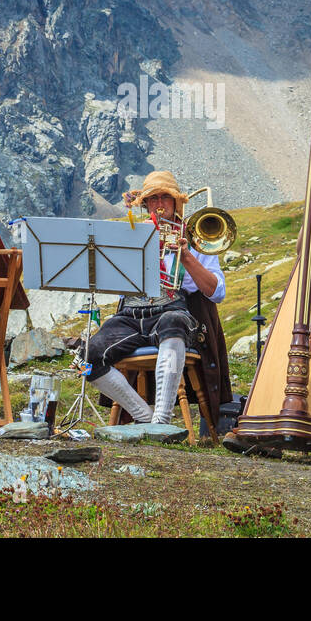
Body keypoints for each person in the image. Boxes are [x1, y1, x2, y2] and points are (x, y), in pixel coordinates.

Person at [83, 171, 230, 429]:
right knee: (87, 355)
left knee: (173, 322)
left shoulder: (195, 237)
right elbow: (120, 291)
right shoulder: (133, 235)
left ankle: (162, 418)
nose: (159, 204)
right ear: (146, 204)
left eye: (166, 198)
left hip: (172, 311)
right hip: (132, 315)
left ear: (177, 203)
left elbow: (217, 292)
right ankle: (145, 417)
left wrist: (187, 257)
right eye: (153, 199)